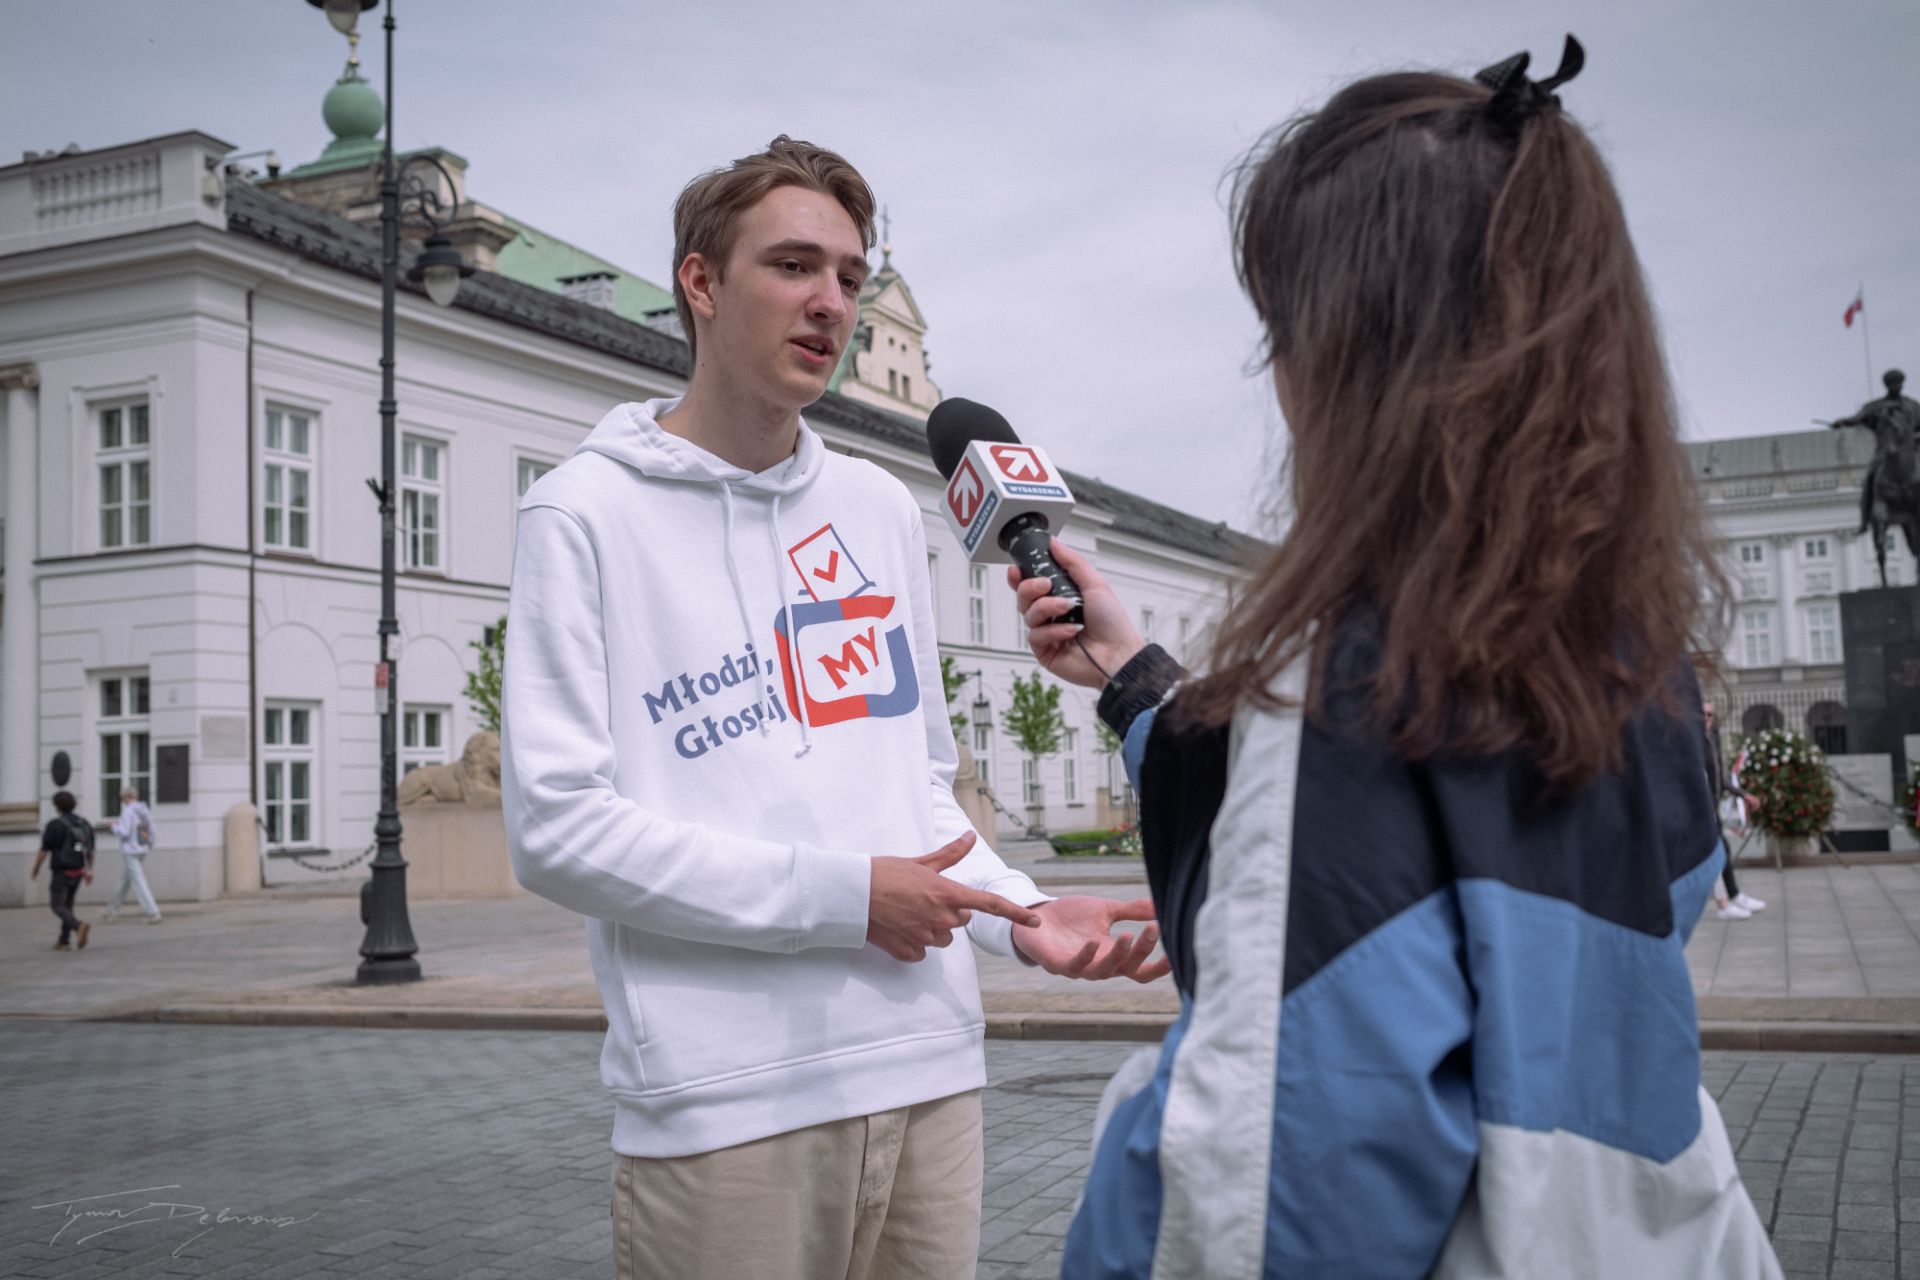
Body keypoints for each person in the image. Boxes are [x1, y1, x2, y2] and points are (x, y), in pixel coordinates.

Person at [1011, 38, 1780, 1279]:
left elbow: (1269, 1198)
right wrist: (1138, 681)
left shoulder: (1349, 690)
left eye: (1282, 330)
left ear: (1358, 356)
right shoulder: (1637, 656)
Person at [500, 136, 1168, 1280]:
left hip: (930, 1074)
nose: (831, 303)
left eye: (851, 277)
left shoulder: (875, 507)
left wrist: (1019, 911)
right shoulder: (581, 513)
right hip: (727, 1103)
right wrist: (845, 897)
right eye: (794, 265)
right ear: (701, 282)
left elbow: (918, 790)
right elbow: (558, 826)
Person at [1703, 700, 1764, 920]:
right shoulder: (1692, 741)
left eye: (1710, 715)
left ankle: (1733, 897)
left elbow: (1718, 776)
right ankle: (1724, 903)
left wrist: (1742, 794)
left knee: (1722, 851)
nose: (1706, 719)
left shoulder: (1710, 738)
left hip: (1711, 807)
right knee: (1716, 854)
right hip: (1702, 810)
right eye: (1702, 714)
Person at [29, 791, 94, 951]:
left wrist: (36, 868)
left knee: (57, 905)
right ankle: (64, 940)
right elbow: (90, 849)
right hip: (78, 871)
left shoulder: (55, 825)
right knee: (67, 905)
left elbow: (44, 850)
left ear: (57, 807)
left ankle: (78, 926)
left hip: (62, 871)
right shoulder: (84, 823)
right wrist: (90, 869)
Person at [104, 786, 162, 924]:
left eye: (122, 798)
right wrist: (150, 843)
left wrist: (113, 827)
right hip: (142, 849)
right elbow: (151, 829)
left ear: (126, 797)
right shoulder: (143, 810)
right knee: (125, 881)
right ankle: (112, 909)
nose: (122, 801)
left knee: (138, 882)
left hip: (130, 851)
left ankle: (153, 912)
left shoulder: (128, 811)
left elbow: (124, 832)